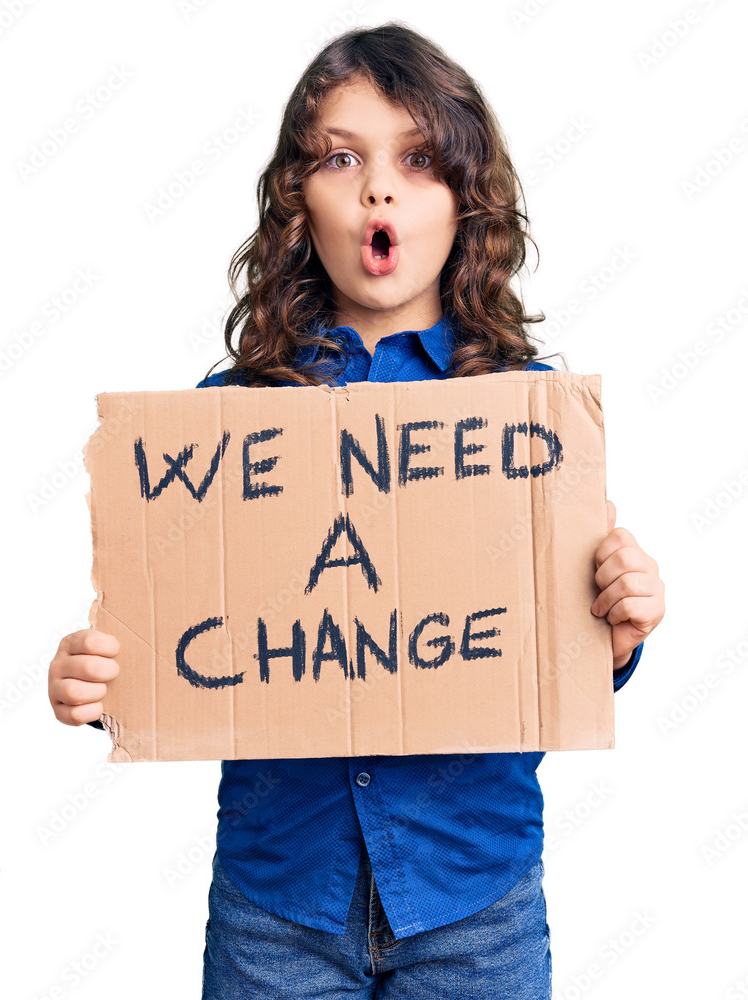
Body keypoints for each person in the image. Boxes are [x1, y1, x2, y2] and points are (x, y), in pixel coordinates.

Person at [48, 22, 665, 999]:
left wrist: (620, 627)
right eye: (343, 158)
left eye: (417, 160)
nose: (379, 187)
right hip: (279, 900)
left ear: (465, 200)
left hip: (475, 897)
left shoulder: (529, 423)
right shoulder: (227, 428)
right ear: (301, 204)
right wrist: (96, 683)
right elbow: (177, 645)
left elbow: (556, 653)